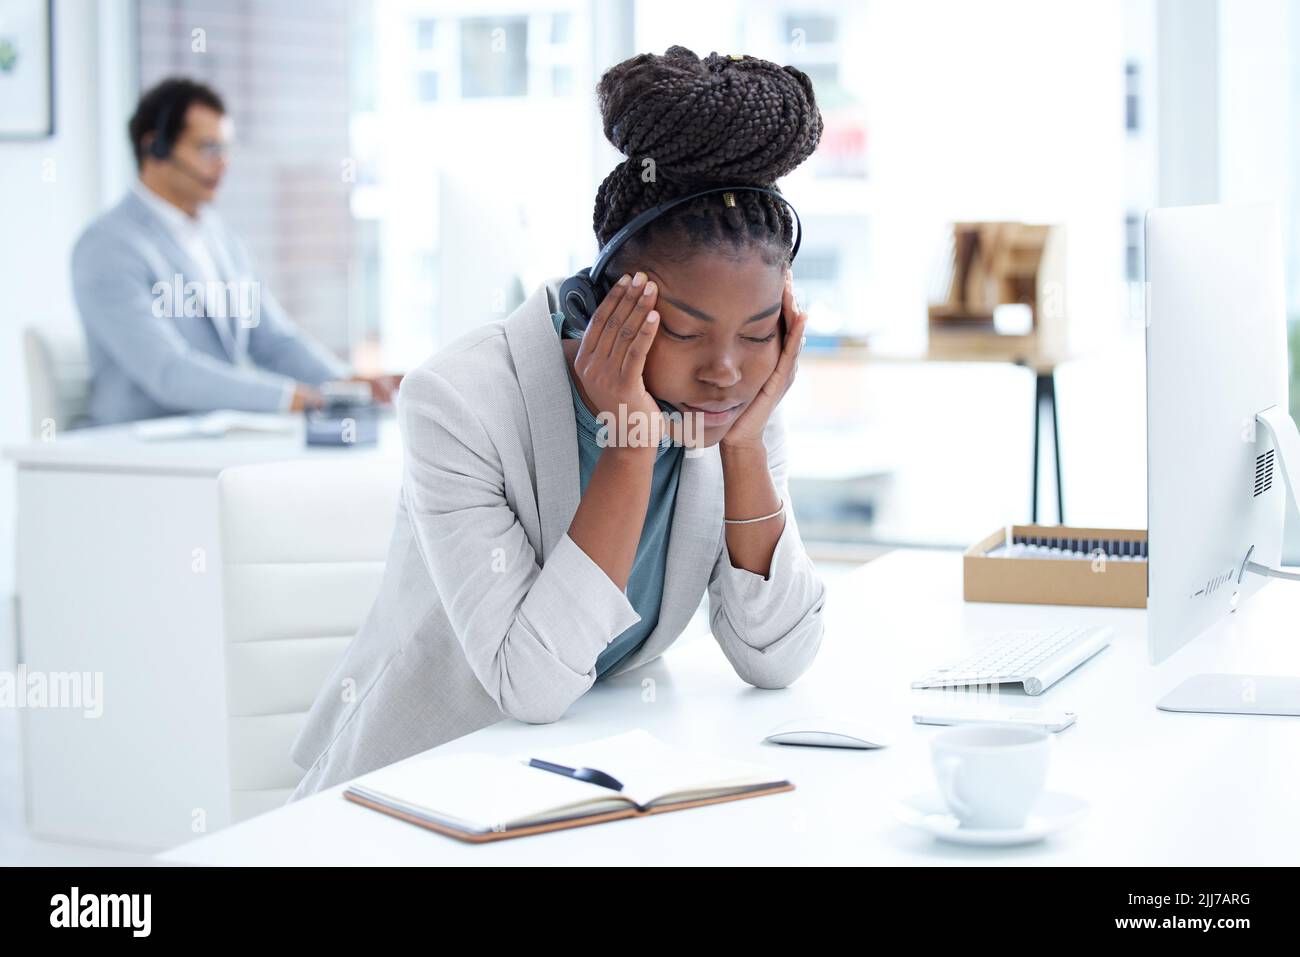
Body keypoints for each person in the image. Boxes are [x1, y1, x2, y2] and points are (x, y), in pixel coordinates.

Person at [288, 46, 827, 798]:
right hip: (416, 791)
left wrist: (744, 449)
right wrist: (630, 451)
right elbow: (531, 685)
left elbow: (778, 655)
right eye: (686, 331)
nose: (726, 369)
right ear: (607, 302)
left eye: (758, 330)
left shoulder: (731, 407)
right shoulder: (459, 402)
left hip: (587, 781)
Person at [70, 77, 399, 426]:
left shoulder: (220, 238)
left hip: (218, 435)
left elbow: (273, 341)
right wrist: (293, 398)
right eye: (208, 149)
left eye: (226, 149)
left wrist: (346, 383)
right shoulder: (108, 245)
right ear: (156, 148)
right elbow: (167, 370)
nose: (223, 163)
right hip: (136, 447)